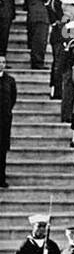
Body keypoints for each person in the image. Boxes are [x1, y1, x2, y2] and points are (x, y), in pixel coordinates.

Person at [25, 0, 55, 69]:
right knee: (39, 40)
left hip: (39, 16)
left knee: (41, 40)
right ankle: (37, 62)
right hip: (38, 16)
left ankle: (38, 61)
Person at [0, 53, 15, 188]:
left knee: (2, 150)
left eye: (3, 62)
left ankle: (1, 177)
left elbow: (12, 98)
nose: (1, 65)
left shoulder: (9, 80)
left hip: (4, 121)